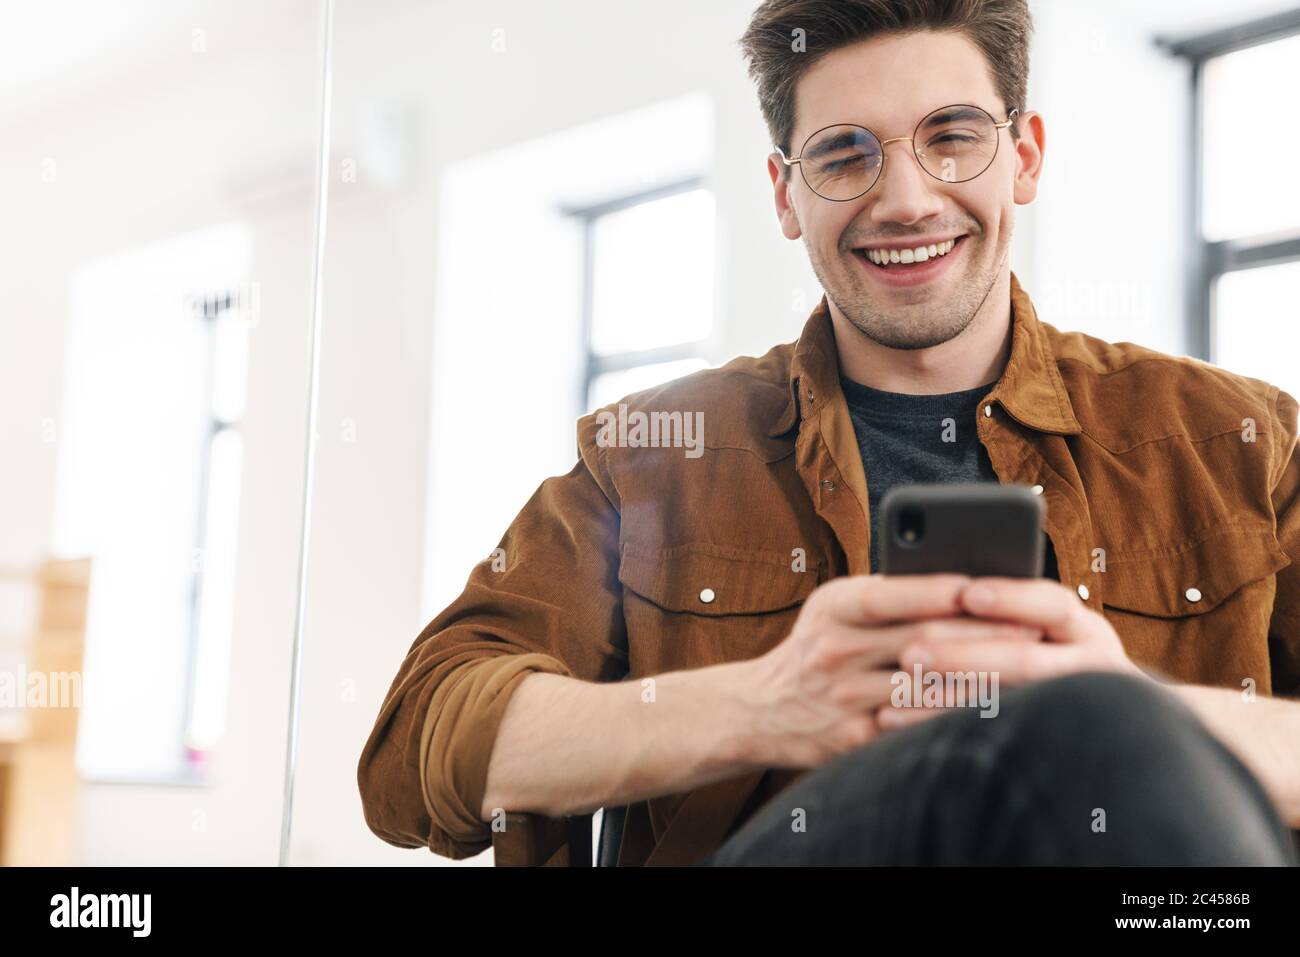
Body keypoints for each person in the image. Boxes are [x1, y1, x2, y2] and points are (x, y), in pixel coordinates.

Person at [358, 0, 1300, 866]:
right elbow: (414, 750)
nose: (906, 200)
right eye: (846, 154)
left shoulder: (1239, 441)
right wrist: (771, 705)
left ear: (1025, 158)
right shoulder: (651, 459)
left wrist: (1127, 717)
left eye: (953, 138)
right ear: (784, 193)